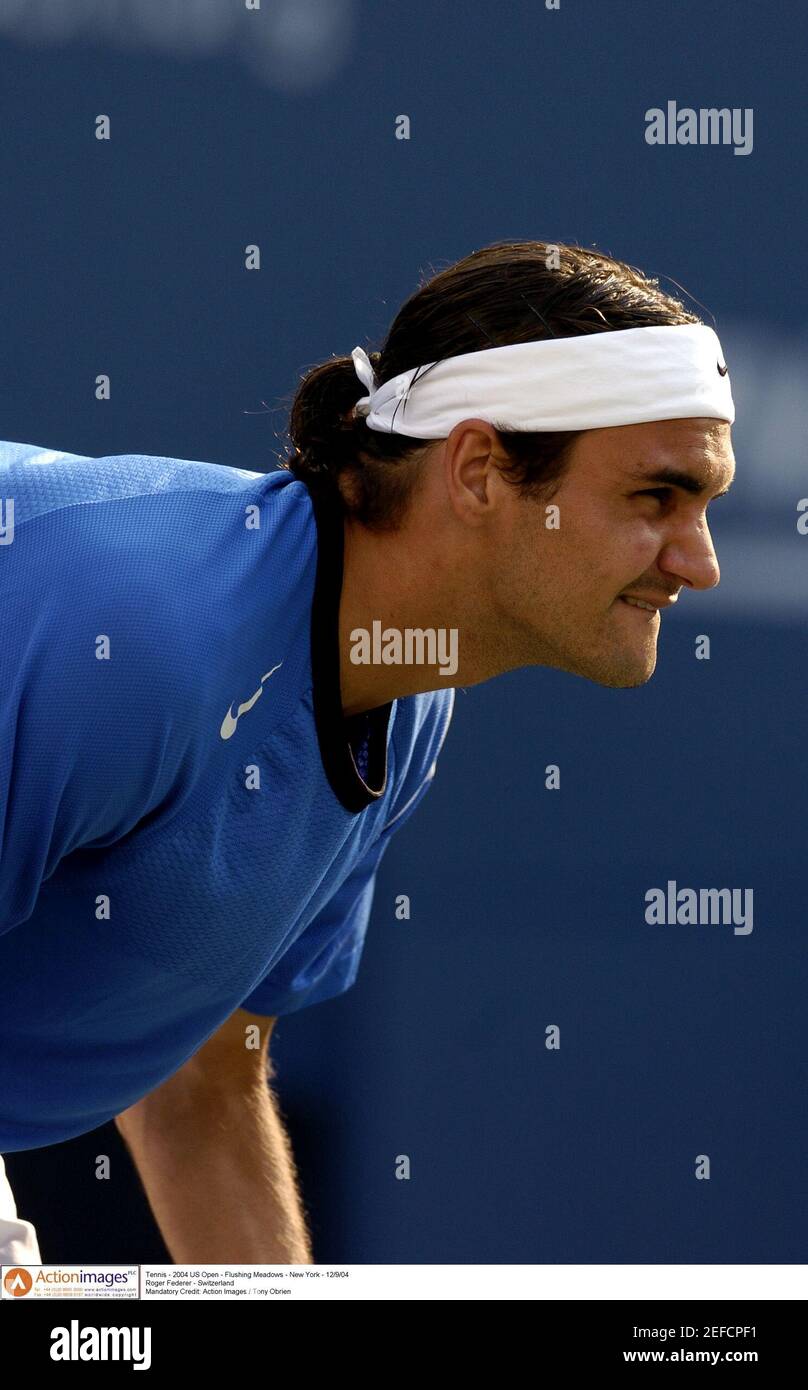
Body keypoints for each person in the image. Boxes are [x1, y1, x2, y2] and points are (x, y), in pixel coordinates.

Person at [0, 240, 735, 1265]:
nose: (697, 561)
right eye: (656, 497)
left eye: (706, 505)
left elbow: (207, 1075)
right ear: (478, 470)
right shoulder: (136, 638)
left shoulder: (408, 697)